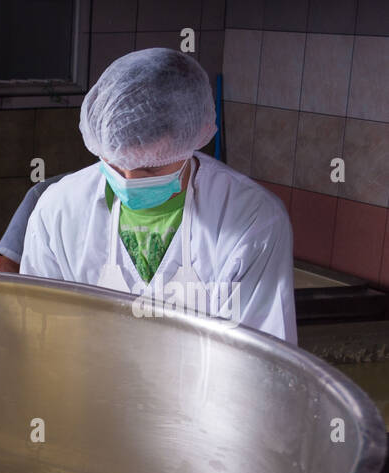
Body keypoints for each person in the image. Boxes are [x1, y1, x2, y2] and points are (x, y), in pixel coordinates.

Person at [19, 49, 296, 344]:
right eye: (114, 162)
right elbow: (41, 332)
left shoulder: (251, 217)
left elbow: (262, 357)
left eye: (150, 168)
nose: (129, 180)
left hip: (205, 390)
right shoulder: (59, 208)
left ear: (192, 137)